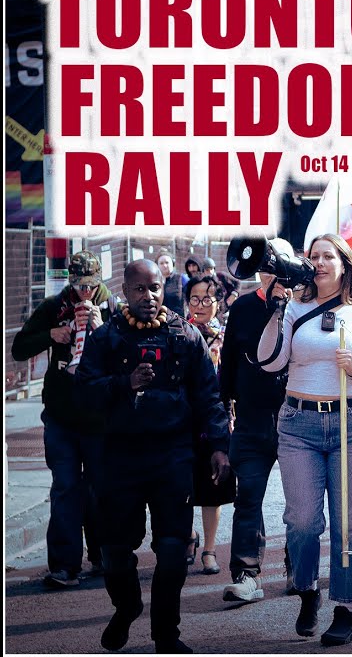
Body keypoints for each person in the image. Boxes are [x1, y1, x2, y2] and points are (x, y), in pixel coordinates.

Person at [75, 259, 229, 653]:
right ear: (125, 291)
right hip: (120, 457)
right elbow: (84, 393)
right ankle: (126, 608)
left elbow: (208, 397)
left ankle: (166, 634)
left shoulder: (186, 335)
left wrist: (217, 446)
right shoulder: (106, 338)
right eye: (140, 289)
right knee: (115, 552)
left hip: (172, 456)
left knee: (174, 550)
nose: (150, 296)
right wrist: (123, 383)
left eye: (156, 288)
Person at [256, 234, 352, 646]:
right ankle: (308, 590)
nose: (318, 262)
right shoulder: (295, 307)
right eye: (313, 256)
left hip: (350, 423)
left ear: (345, 264)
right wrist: (277, 308)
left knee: (348, 523)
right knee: (302, 522)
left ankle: (345, 608)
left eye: (327, 255)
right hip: (299, 424)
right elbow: (269, 361)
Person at [11, 251, 117, 589]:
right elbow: (19, 348)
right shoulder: (55, 305)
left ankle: (104, 555)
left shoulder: (112, 305)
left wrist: (104, 330)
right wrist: (50, 336)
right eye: (78, 285)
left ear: (99, 281)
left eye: (90, 285)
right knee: (65, 486)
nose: (84, 292)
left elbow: (128, 351)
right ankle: (64, 565)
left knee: (101, 488)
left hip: (100, 417)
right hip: (62, 414)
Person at [220, 266, 291, 604]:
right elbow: (229, 365)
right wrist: (226, 414)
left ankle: (298, 567)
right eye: (264, 270)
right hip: (251, 419)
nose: (268, 277)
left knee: (300, 502)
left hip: (295, 417)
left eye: (276, 270)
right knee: (247, 495)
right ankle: (246, 575)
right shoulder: (243, 308)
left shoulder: (304, 306)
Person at [184, 275, 235, 576]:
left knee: (212, 486)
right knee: (181, 485)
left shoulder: (227, 337)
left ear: (219, 303)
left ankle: (209, 550)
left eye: (207, 299)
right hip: (183, 420)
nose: (200, 305)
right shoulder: (179, 331)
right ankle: (188, 536)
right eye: (194, 298)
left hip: (215, 420)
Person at [156, 250, 185, 316]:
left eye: (167, 262)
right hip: (159, 319)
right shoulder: (154, 281)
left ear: (173, 264)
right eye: (161, 263)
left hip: (178, 319)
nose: (165, 265)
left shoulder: (181, 279)